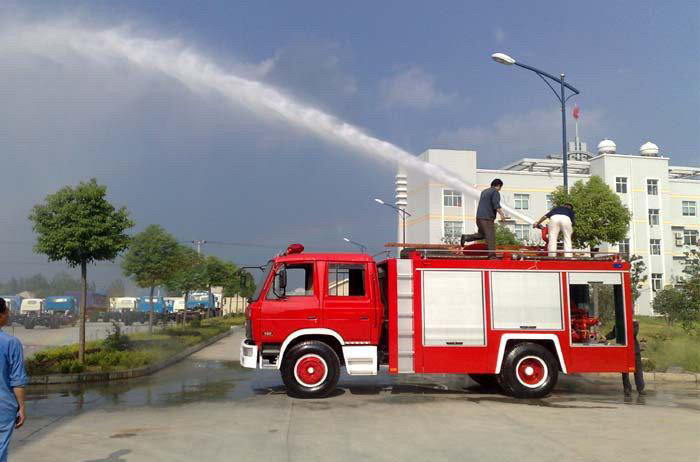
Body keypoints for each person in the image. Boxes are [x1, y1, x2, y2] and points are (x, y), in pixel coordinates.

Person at [0, 297, 26, 461]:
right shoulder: (11, 343)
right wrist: (21, 407)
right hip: (3, 408)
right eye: (6, 310)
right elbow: (17, 379)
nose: (8, 314)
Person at [460, 179, 506, 258]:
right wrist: (502, 215)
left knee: (482, 234)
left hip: (479, 218)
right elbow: (496, 204)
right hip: (487, 218)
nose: (500, 189)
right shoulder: (495, 192)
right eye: (500, 187)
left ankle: (466, 237)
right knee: (490, 237)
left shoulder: (484, 191)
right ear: (498, 185)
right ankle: (492, 256)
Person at [606, 320, 645, 396]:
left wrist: (622, 327)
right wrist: (605, 337)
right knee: (625, 372)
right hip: (624, 350)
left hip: (634, 351)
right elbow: (613, 334)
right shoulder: (618, 324)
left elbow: (633, 333)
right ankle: (627, 389)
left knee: (638, 371)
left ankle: (641, 389)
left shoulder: (635, 323)